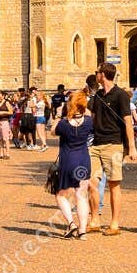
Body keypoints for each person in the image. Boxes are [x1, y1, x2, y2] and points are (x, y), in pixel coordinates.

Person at [88, 63, 133, 235]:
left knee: (114, 184)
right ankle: (95, 220)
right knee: (91, 182)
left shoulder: (121, 95)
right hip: (96, 144)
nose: (95, 75)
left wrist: (132, 147)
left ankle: (114, 223)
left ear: (103, 74)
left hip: (113, 144)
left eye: (97, 72)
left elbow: (128, 121)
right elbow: (89, 116)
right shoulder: (98, 95)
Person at [52, 90, 93, 239]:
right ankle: (82, 231)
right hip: (83, 160)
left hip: (67, 160)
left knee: (61, 194)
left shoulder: (63, 123)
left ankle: (71, 224)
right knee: (81, 195)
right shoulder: (88, 121)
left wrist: (58, 115)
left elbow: (52, 131)